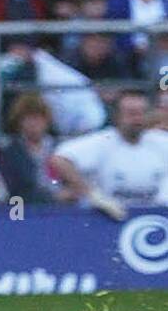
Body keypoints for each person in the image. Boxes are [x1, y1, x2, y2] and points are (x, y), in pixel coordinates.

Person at [51, 89, 168, 219]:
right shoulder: (102, 141)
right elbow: (60, 159)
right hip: (109, 217)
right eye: (131, 114)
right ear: (117, 116)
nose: (137, 119)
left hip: (155, 216)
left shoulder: (160, 141)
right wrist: (92, 194)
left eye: (142, 113)